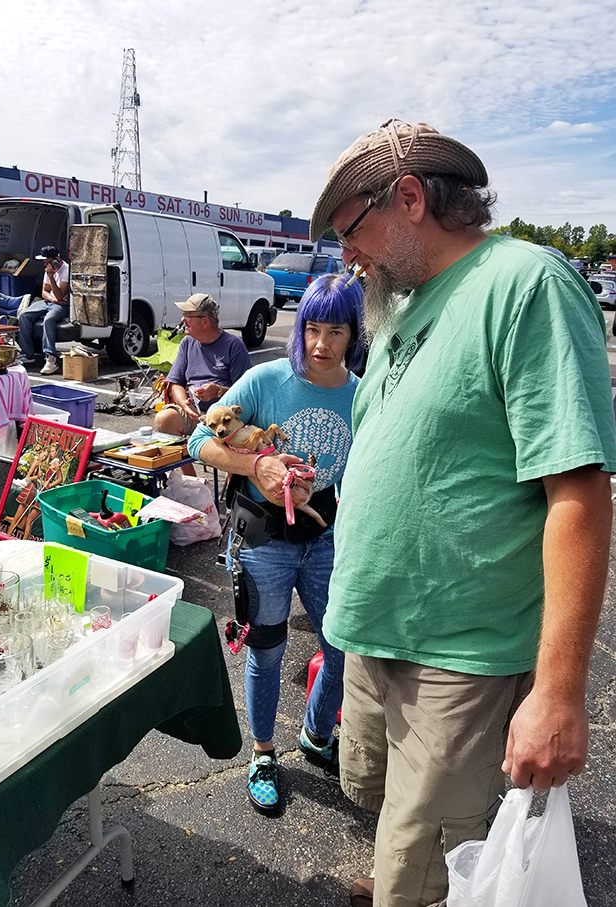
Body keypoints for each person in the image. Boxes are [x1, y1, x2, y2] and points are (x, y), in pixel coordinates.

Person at [307, 118, 616, 907]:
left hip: (461, 658)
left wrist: (557, 693)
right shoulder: (403, 308)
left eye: (353, 230)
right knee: (385, 808)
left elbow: (576, 493)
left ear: (409, 197)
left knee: (438, 854)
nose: (349, 256)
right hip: (379, 635)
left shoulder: (526, 284)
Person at [187, 274, 364, 815]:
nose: (320, 344)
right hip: (263, 537)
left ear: (355, 332)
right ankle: (263, 754)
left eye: (336, 330)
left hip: (327, 535)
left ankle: (315, 734)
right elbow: (198, 441)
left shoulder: (363, 394)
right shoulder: (265, 380)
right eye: (312, 328)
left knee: (340, 648)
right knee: (267, 649)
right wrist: (256, 463)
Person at [154, 293, 252, 474]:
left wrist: (218, 391)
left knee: (237, 435)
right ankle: (192, 481)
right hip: (195, 414)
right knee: (163, 418)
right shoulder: (187, 343)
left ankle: (232, 492)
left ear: (205, 321)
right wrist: (184, 403)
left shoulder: (233, 345)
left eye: (188, 316)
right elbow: (175, 383)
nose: (183, 320)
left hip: (224, 419)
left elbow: (246, 393)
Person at [18, 245, 70, 375]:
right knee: (24, 315)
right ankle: (28, 353)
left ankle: (51, 357)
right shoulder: (48, 270)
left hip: (61, 306)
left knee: (49, 320)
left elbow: (60, 294)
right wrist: (53, 299)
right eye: (44, 262)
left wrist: (51, 277)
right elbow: (44, 292)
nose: (45, 264)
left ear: (56, 259)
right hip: (50, 301)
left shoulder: (66, 271)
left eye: (47, 261)